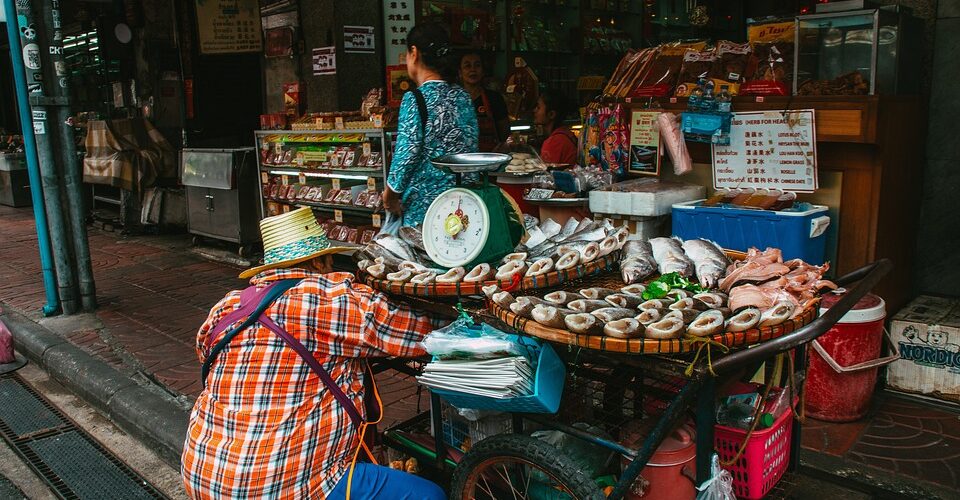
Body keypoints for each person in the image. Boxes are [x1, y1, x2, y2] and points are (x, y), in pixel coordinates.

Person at [181, 207, 446, 500]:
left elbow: (205, 355)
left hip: (202, 473)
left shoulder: (227, 307)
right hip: (278, 486)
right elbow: (423, 333)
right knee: (428, 495)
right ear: (321, 261)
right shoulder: (330, 299)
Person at [383, 23, 479, 228]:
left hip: (426, 211)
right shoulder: (463, 97)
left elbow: (407, 155)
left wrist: (390, 195)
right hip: (466, 205)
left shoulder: (415, 99)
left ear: (414, 53)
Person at [459, 51, 509, 151]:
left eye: (477, 65)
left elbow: (505, 132)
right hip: (462, 160)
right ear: (460, 73)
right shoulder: (454, 99)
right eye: (467, 66)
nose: (472, 70)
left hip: (491, 159)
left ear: (483, 71)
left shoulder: (494, 98)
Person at [532, 89, 578, 165]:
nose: (534, 110)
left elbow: (545, 174)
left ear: (551, 114)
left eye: (538, 107)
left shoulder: (555, 141)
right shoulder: (564, 133)